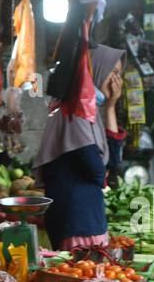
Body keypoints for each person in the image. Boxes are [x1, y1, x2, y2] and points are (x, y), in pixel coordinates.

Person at [34, 45, 126, 251]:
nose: (116, 81)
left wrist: (111, 106)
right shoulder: (76, 110)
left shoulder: (89, 109)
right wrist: (105, 169)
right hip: (77, 223)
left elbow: (112, 164)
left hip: (86, 219)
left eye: (119, 74)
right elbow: (97, 170)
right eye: (114, 72)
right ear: (96, 70)